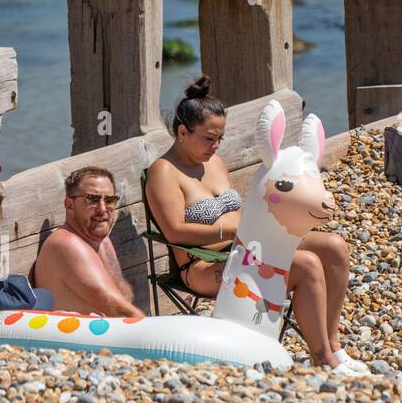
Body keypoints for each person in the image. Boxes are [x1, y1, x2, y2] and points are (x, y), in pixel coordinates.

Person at [145, 77, 364, 371]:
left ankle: (334, 345)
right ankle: (323, 359)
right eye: (209, 138)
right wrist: (234, 230)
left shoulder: (215, 163)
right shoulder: (164, 171)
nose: (216, 145)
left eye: (220, 138)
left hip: (250, 245)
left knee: (333, 246)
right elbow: (174, 230)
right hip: (205, 265)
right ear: (183, 132)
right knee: (306, 264)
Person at [32, 166, 146, 317]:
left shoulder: (101, 240)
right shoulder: (66, 243)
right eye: (92, 199)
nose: (102, 209)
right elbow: (118, 309)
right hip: (78, 339)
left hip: (109, 335)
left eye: (110, 200)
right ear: (69, 205)